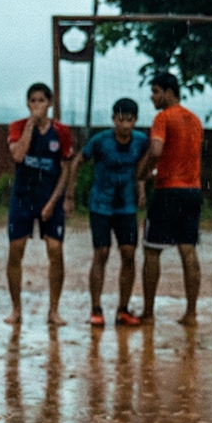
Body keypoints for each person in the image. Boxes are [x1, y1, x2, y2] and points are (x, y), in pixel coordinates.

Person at [135, 71, 204, 326]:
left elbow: (156, 150)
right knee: (188, 250)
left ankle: (149, 312)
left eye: (155, 91)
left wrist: (141, 174)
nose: (152, 97)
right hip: (192, 191)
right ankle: (191, 313)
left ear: (168, 92)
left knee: (152, 250)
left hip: (167, 191)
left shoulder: (163, 117)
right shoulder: (195, 120)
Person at [4, 83, 76, 326]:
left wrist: (57, 200)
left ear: (50, 103)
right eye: (33, 101)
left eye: (41, 101)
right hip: (23, 198)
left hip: (49, 197)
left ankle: (53, 310)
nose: (37, 106)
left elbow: (65, 170)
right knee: (16, 250)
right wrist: (31, 127)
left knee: (55, 251)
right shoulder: (18, 127)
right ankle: (16, 309)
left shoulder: (62, 132)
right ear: (27, 104)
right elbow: (18, 156)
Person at [80, 97, 148, 327]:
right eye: (121, 120)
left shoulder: (140, 141)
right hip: (101, 205)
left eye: (130, 120)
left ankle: (123, 309)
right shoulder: (101, 141)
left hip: (126, 206)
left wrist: (141, 188)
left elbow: (145, 165)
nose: (125, 125)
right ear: (113, 119)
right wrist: (69, 193)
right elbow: (78, 160)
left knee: (129, 254)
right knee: (102, 253)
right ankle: (96, 307)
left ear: (135, 120)